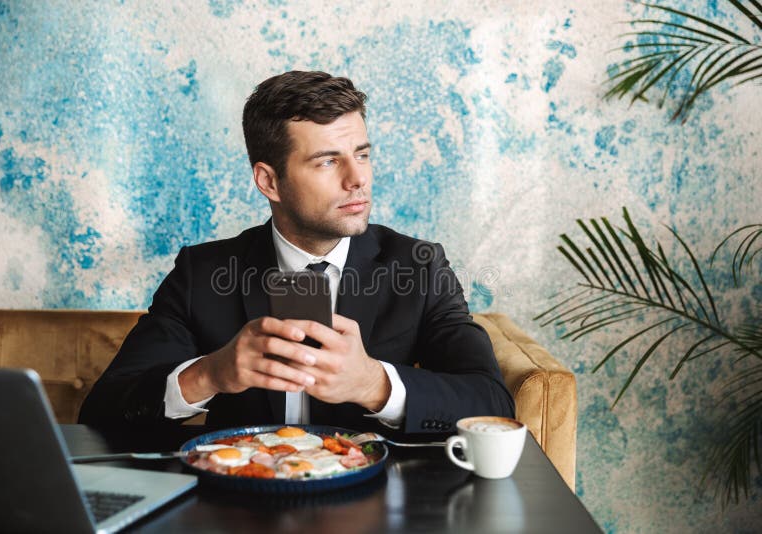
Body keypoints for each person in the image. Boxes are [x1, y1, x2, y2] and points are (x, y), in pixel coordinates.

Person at [79, 71, 514, 436]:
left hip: (374, 498)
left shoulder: (420, 266)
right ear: (269, 182)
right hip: (240, 497)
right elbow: (100, 414)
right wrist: (210, 373)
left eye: (362, 155)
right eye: (327, 161)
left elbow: (492, 403)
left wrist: (373, 384)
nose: (357, 178)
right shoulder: (202, 273)